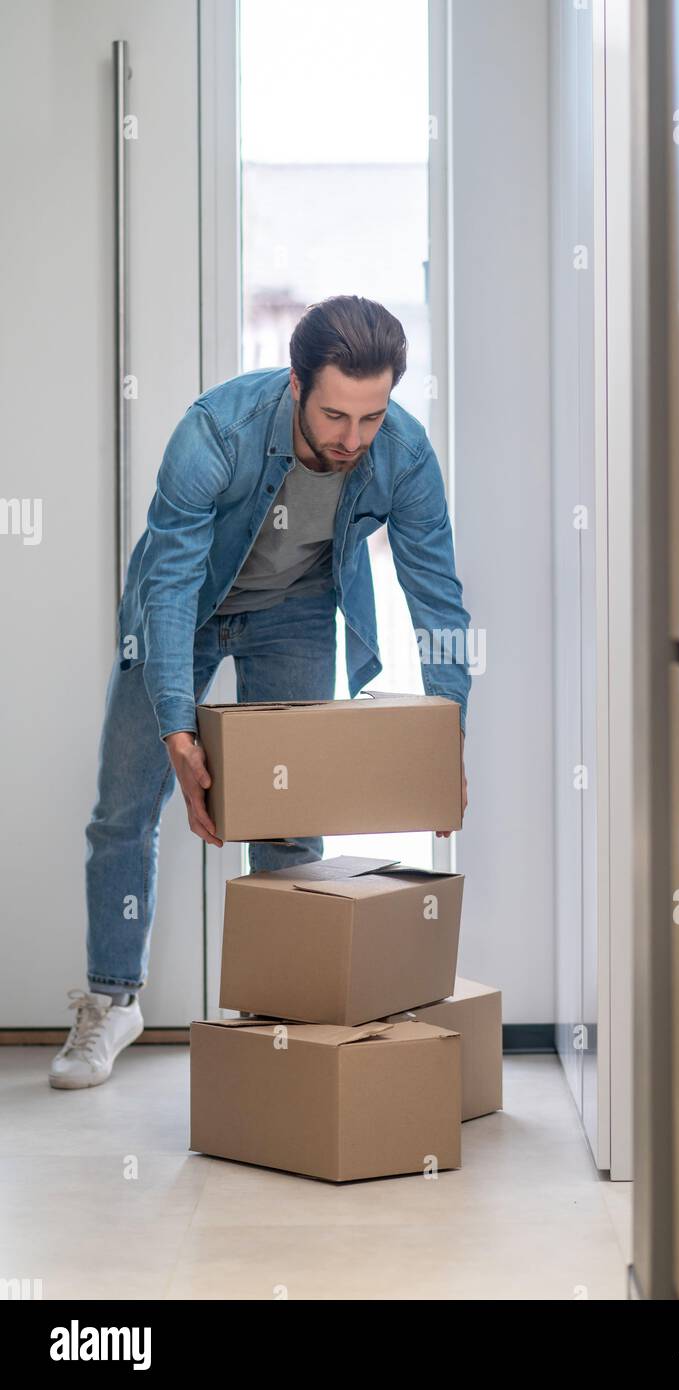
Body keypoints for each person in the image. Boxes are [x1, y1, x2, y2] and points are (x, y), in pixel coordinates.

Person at [49, 295, 471, 1089]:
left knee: (285, 823)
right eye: (335, 415)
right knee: (125, 807)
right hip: (186, 611)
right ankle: (113, 998)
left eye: (371, 417)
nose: (352, 440)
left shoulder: (404, 455)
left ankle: (287, 1021)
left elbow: (439, 602)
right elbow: (170, 585)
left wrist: (449, 738)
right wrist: (180, 730)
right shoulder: (216, 431)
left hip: (296, 611)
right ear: (295, 383)